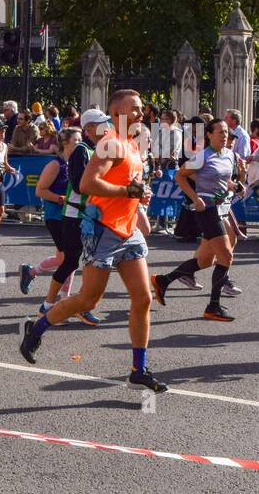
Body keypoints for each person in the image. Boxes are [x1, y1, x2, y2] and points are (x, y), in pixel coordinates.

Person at [20, 91, 166, 393]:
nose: (140, 114)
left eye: (141, 110)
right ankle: (36, 328)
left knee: (143, 299)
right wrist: (128, 191)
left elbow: (127, 185)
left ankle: (139, 369)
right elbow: (87, 184)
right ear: (115, 115)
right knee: (88, 300)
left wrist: (139, 194)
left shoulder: (132, 145)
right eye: (134, 110)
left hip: (128, 231)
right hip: (103, 231)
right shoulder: (110, 143)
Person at [152, 118, 242, 322]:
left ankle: (163, 280)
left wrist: (234, 186)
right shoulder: (202, 156)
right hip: (206, 210)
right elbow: (180, 176)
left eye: (226, 131)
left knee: (205, 261)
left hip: (221, 208)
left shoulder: (229, 155)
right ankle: (213, 306)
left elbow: (223, 179)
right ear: (209, 134)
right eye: (220, 131)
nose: (224, 134)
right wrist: (195, 197)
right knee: (226, 256)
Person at [32, 111, 106, 327]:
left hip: (88, 215)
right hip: (75, 215)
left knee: (85, 261)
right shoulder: (81, 152)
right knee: (72, 261)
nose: (107, 128)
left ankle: (75, 305)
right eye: (103, 124)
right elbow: (79, 184)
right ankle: (49, 305)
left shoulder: (94, 150)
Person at [20, 128, 81, 303]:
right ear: (65, 143)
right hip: (55, 217)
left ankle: (30, 272)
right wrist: (60, 198)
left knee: (65, 259)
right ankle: (63, 300)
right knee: (69, 259)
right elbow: (40, 190)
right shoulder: (55, 164)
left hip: (71, 216)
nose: (80, 143)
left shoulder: (75, 163)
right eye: (77, 140)